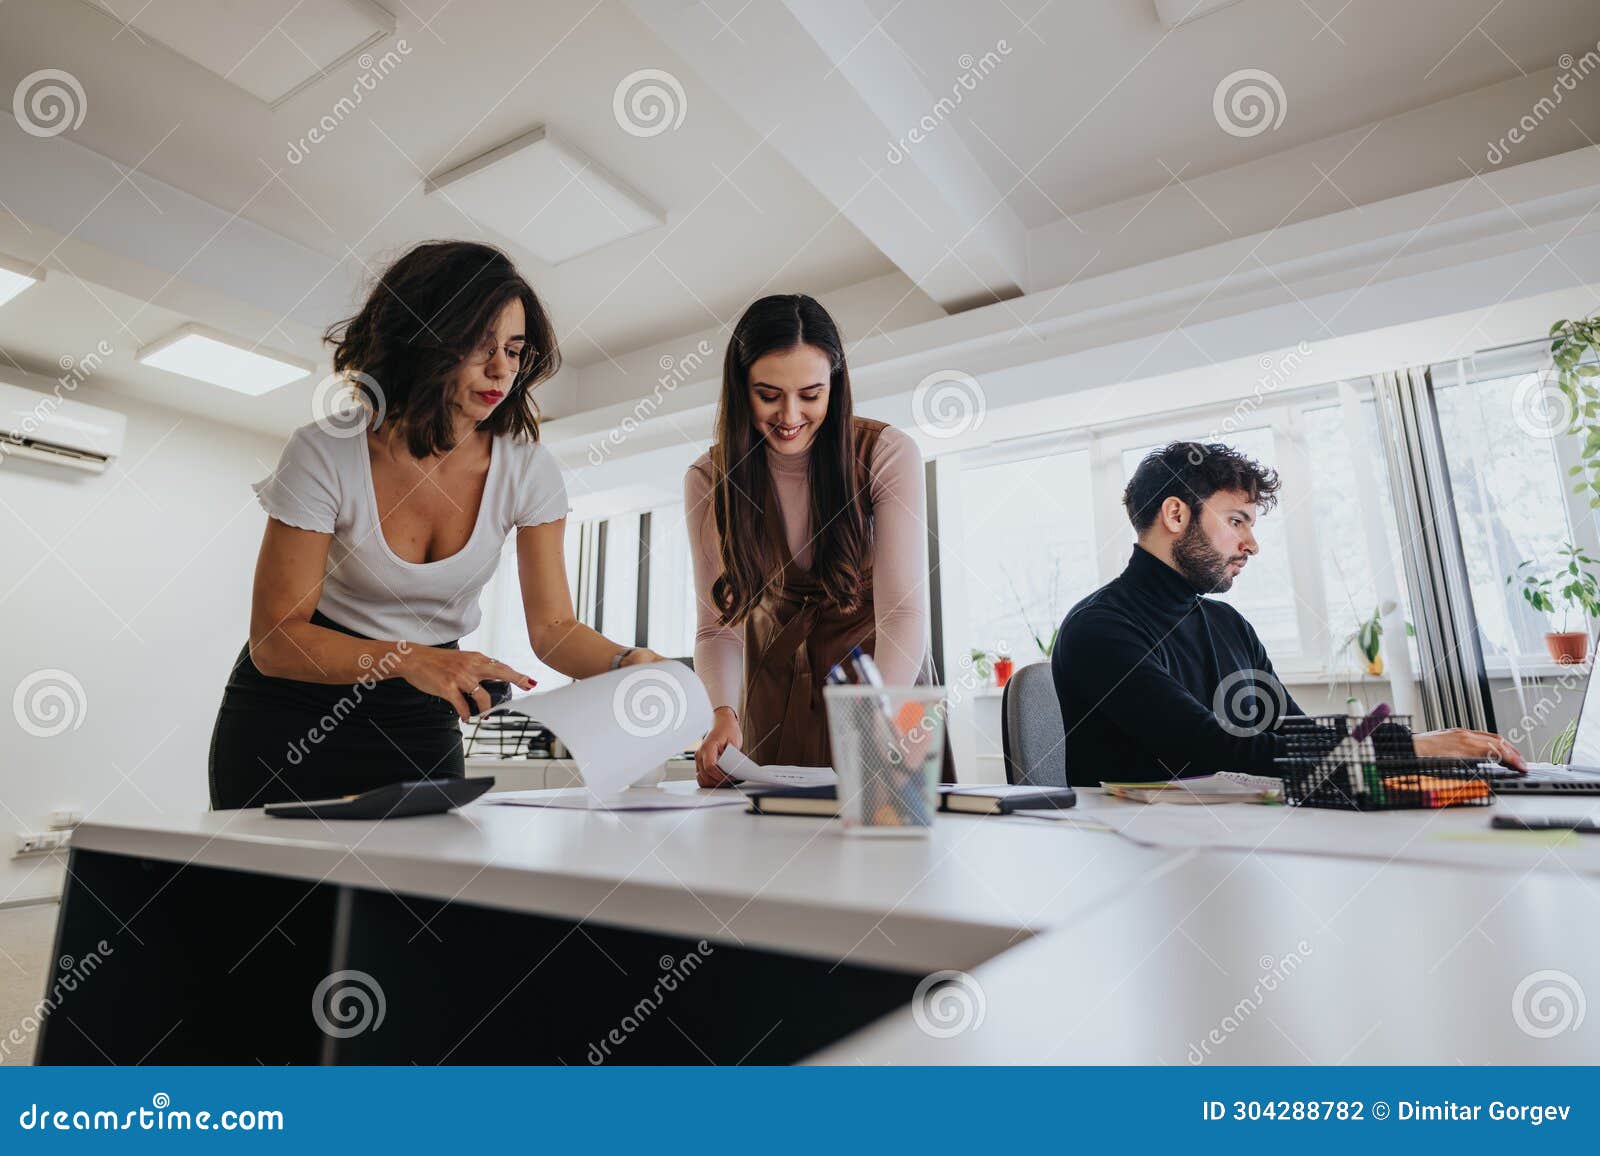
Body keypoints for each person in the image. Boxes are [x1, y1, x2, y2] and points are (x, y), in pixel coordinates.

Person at [209, 240, 663, 809]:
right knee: (268, 897)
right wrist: (408, 658)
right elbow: (276, 641)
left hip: (420, 719)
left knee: (413, 896)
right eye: (479, 346)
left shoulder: (526, 469)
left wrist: (627, 661)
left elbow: (553, 630)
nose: (501, 369)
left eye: (515, 350)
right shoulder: (325, 452)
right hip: (291, 714)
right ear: (421, 339)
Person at [1051, 440, 1526, 786]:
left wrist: (1419, 745)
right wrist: (1407, 748)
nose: (1251, 544)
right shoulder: (1099, 629)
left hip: (1229, 840)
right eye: (1236, 521)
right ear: (1175, 516)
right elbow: (1213, 747)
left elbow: (1291, 730)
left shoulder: (1227, 624)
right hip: (1133, 861)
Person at [685, 294, 934, 785]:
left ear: (834, 388)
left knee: (888, 838)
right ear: (740, 390)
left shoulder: (885, 453)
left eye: (810, 394)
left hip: (884, 676)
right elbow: (718, 628)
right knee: (774, 846)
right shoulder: (707, 479)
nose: (790, 416)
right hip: (774, 684)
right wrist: (722, 713)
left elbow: (902, 612)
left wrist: (882, 711)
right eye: (769, 395)